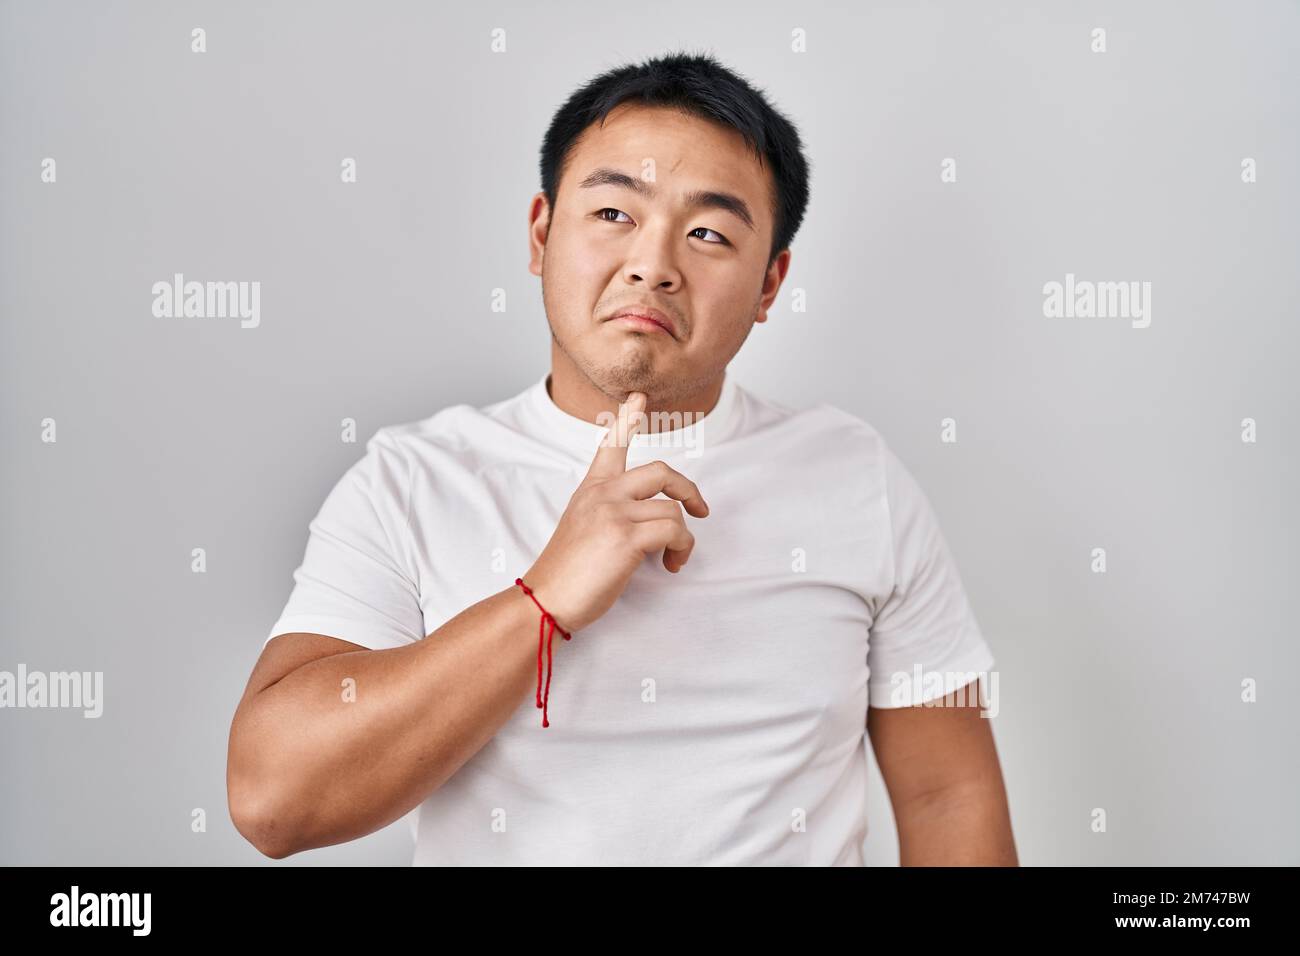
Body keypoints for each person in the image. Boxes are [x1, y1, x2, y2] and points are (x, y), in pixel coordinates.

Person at [226, 50, 1017, 866]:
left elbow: (946, 795)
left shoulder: (857, 478)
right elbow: (273, 802)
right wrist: (544, 599)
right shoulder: (412, 481)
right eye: (613, 214)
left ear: (770, 285)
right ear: (541, 233)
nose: (653, 265)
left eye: (708, 232)